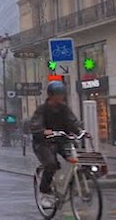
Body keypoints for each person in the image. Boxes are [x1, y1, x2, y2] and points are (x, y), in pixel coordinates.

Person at [28, 80, 83, 209]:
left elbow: (72, 121)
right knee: (51, 164)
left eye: (62, 94)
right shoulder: (42, 110)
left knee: (76, 159)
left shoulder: (64, 109)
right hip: (44, 143)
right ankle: (44, 193)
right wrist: (43, 131)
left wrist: (80, 131)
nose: (61, 96)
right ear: (50, 95)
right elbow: (35, 124)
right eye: (58, 94)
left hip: (62, 140)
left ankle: (68, 183)